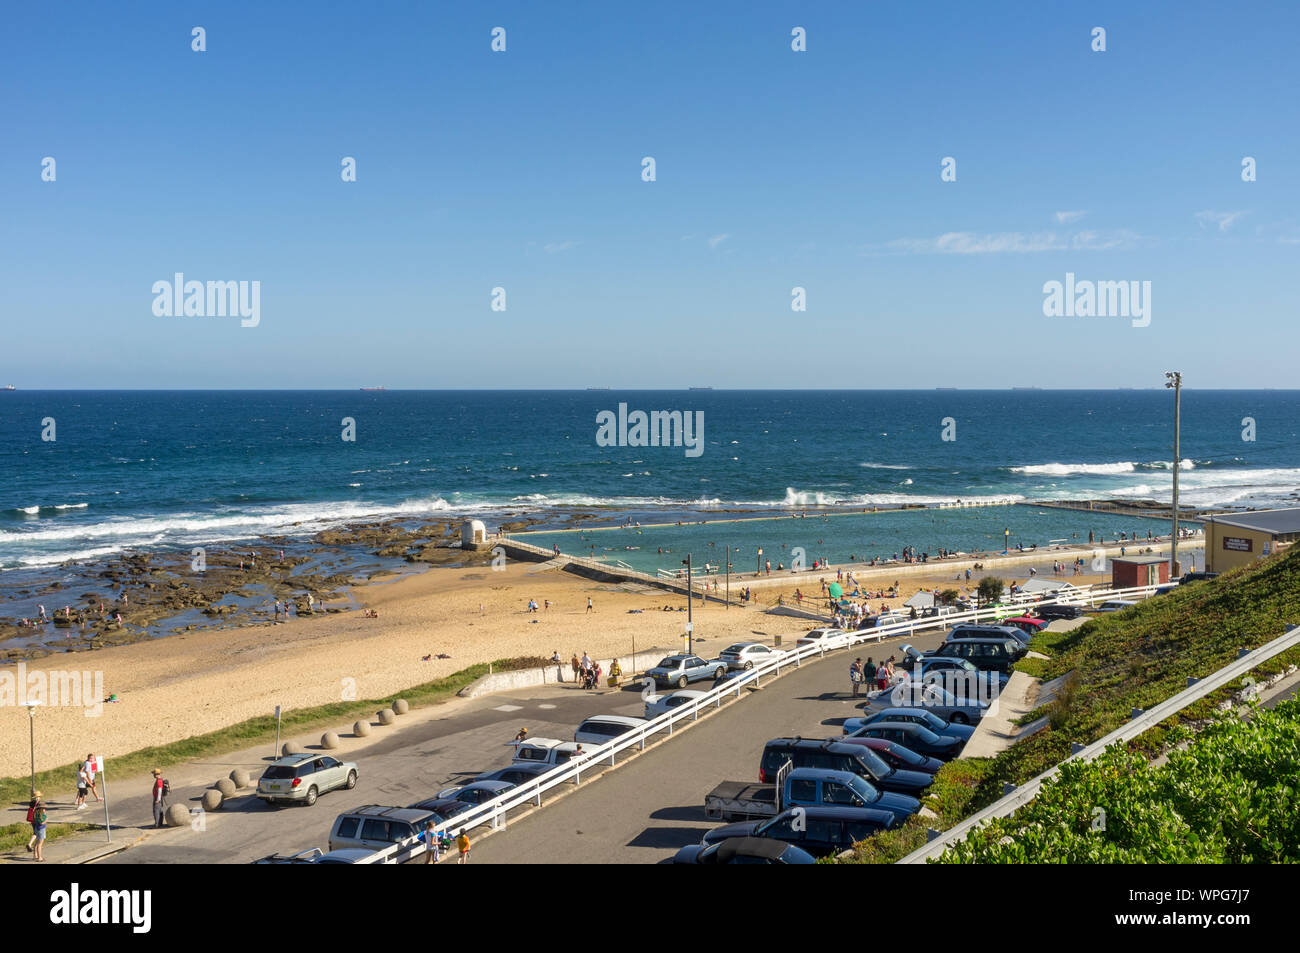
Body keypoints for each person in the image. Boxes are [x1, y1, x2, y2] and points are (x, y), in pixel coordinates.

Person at [32, 797, 47, 862]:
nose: (45, 809)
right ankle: (39, 857)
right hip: (41, 830)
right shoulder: (41, 815)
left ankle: (35, 856)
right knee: (40, 844)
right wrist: (46, 820)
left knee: (36, 843)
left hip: (37, 829)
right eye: (44, 808)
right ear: (41, 809)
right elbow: (42, 823)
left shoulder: (36, 814)